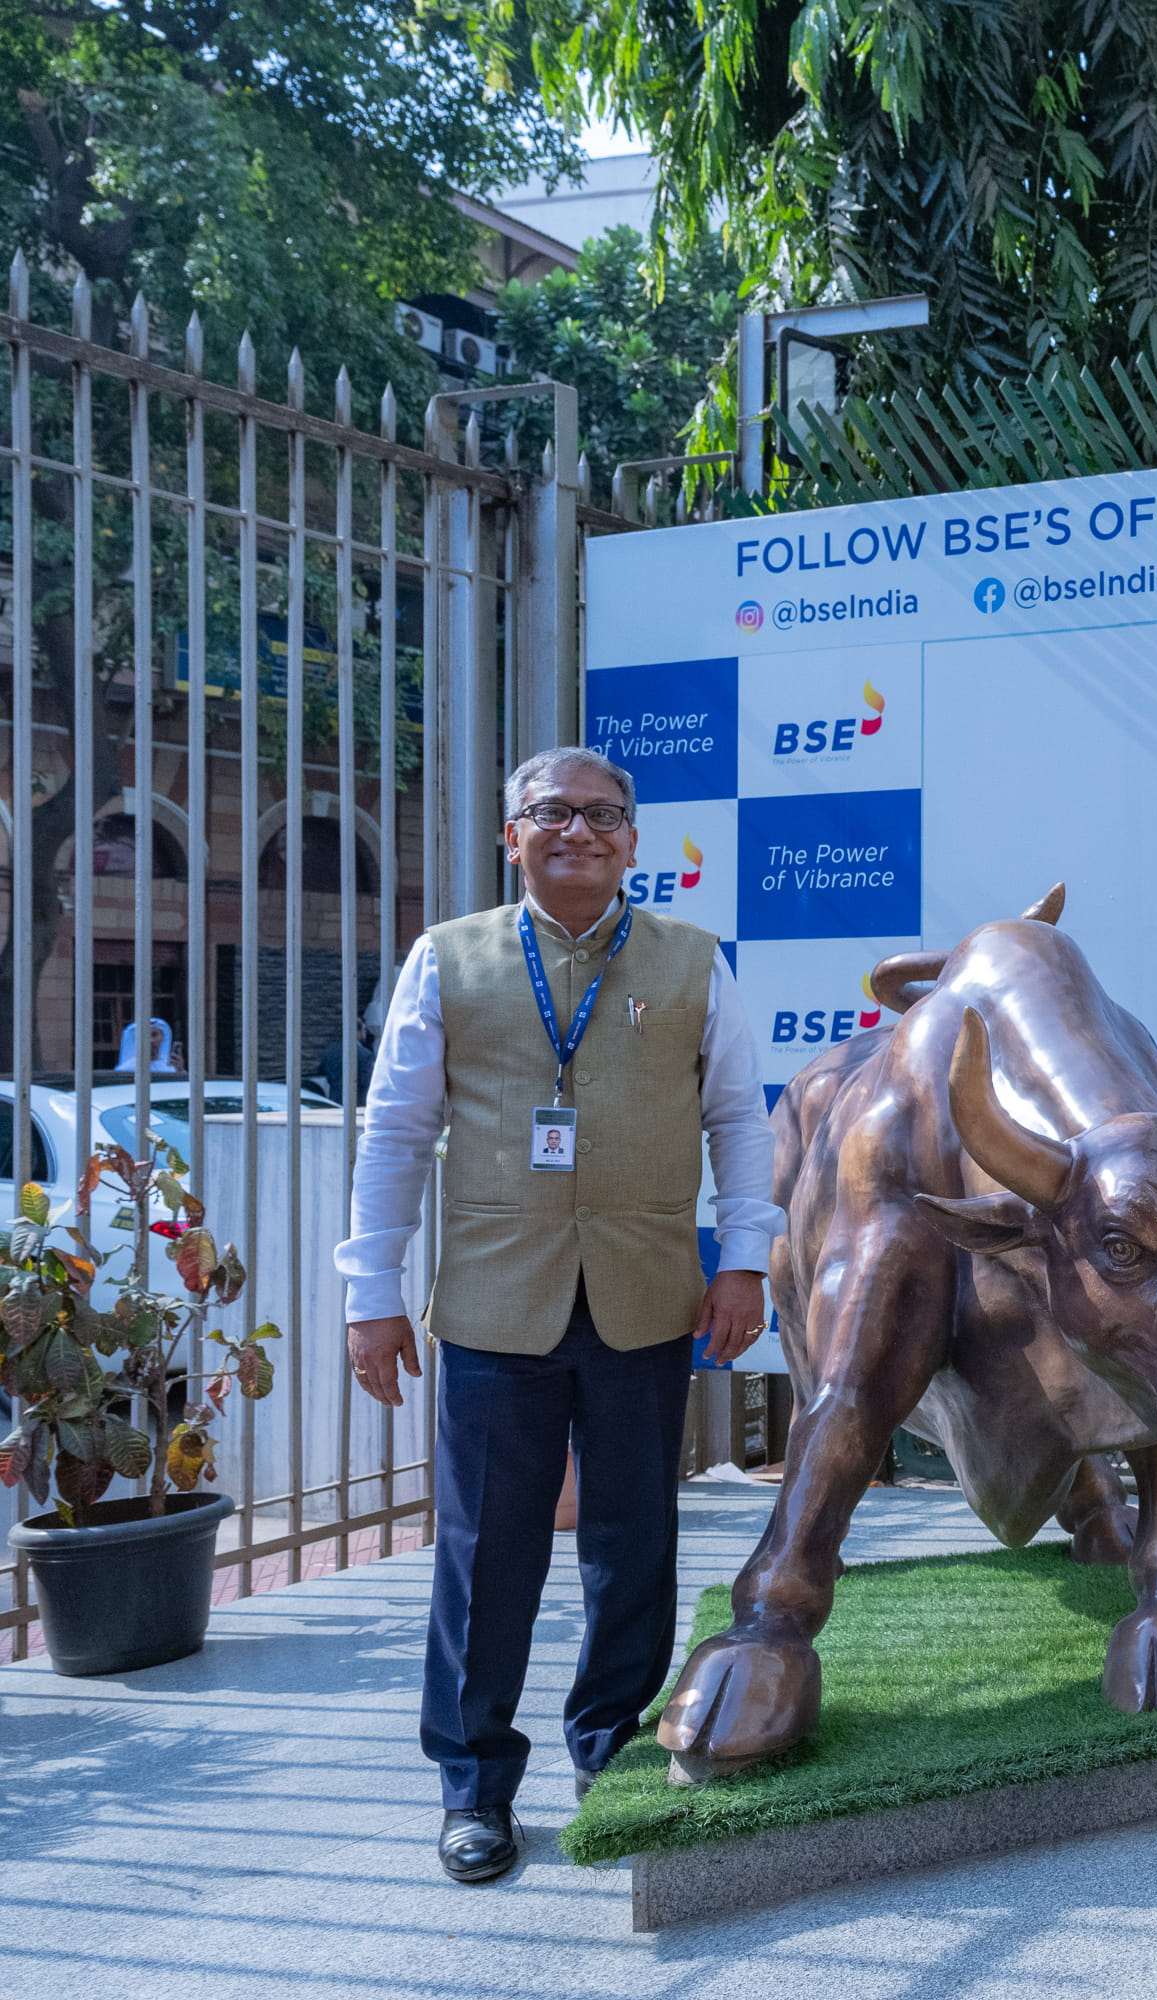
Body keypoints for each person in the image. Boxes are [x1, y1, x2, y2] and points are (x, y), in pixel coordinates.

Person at [338, 746, 780, 1883]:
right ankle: (475, 1783)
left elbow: (738, 1117)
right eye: (551, 811)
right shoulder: (450, 960)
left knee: (636, 1545)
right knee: (486, 1558)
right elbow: (393, 1133)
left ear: (634, 841)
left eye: (602, 814)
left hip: (644, 1297)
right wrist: (369, 1293)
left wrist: (744, 1261)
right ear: (511, 834)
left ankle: (612, 1754)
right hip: (494, 1305)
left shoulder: (693, 961)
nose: (577, 829)